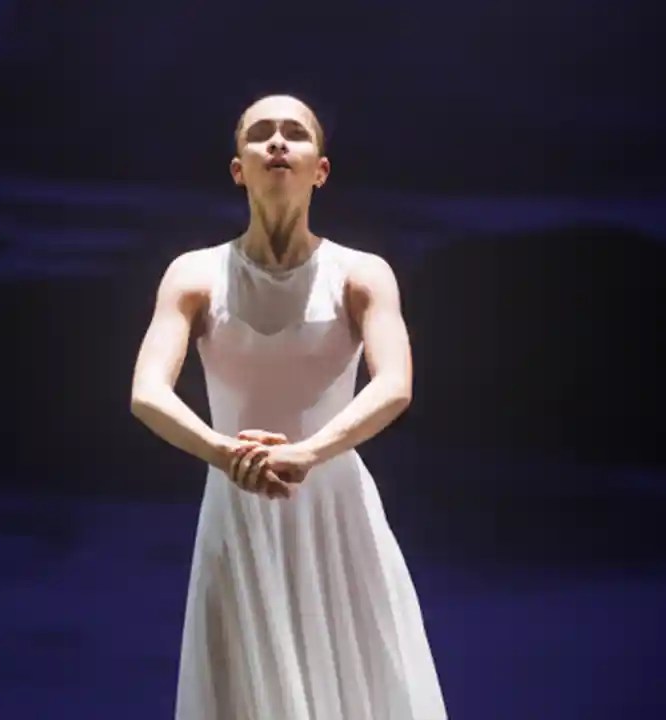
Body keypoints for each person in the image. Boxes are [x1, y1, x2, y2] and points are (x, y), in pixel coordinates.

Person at [130, 94, 446, 719]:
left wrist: (308, 453)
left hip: (333, 507)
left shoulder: (361, 274)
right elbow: (146, 392)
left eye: (294, 133)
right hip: (235, 509)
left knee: (356, 687)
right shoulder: (193, 275)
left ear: (320, 168)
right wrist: (226, 454)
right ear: (238, 168)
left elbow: (395, 384)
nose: (278, 142)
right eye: (262, 134)